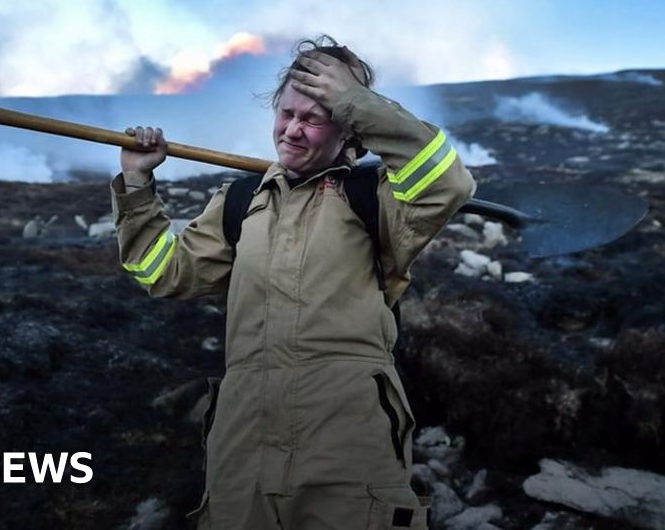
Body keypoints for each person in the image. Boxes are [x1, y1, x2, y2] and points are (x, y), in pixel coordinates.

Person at [110, 36, 475, 529]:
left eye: (314, 118)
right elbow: (163, 272)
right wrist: (136, 185)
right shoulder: (240, 201)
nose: (293, 132)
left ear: (351, 132)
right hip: (243, 443)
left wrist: (353, 99)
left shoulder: (380, 199)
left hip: (347, 442)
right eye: (287, 114)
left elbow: (446, 182)